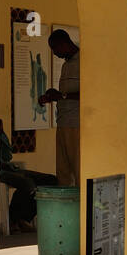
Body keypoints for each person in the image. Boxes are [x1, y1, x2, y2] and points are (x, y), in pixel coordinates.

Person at [38, 29, 81, 185]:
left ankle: (79, 207)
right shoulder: (66, 65)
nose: (55, 53)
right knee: (63, 173)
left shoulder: (84, 61)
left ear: (64, 43)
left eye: (55, 49)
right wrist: (53, 95)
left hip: (76, 125)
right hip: (62, 123)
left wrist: (62, 96)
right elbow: (67, 94)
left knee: (78, 171)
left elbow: (90, 94)